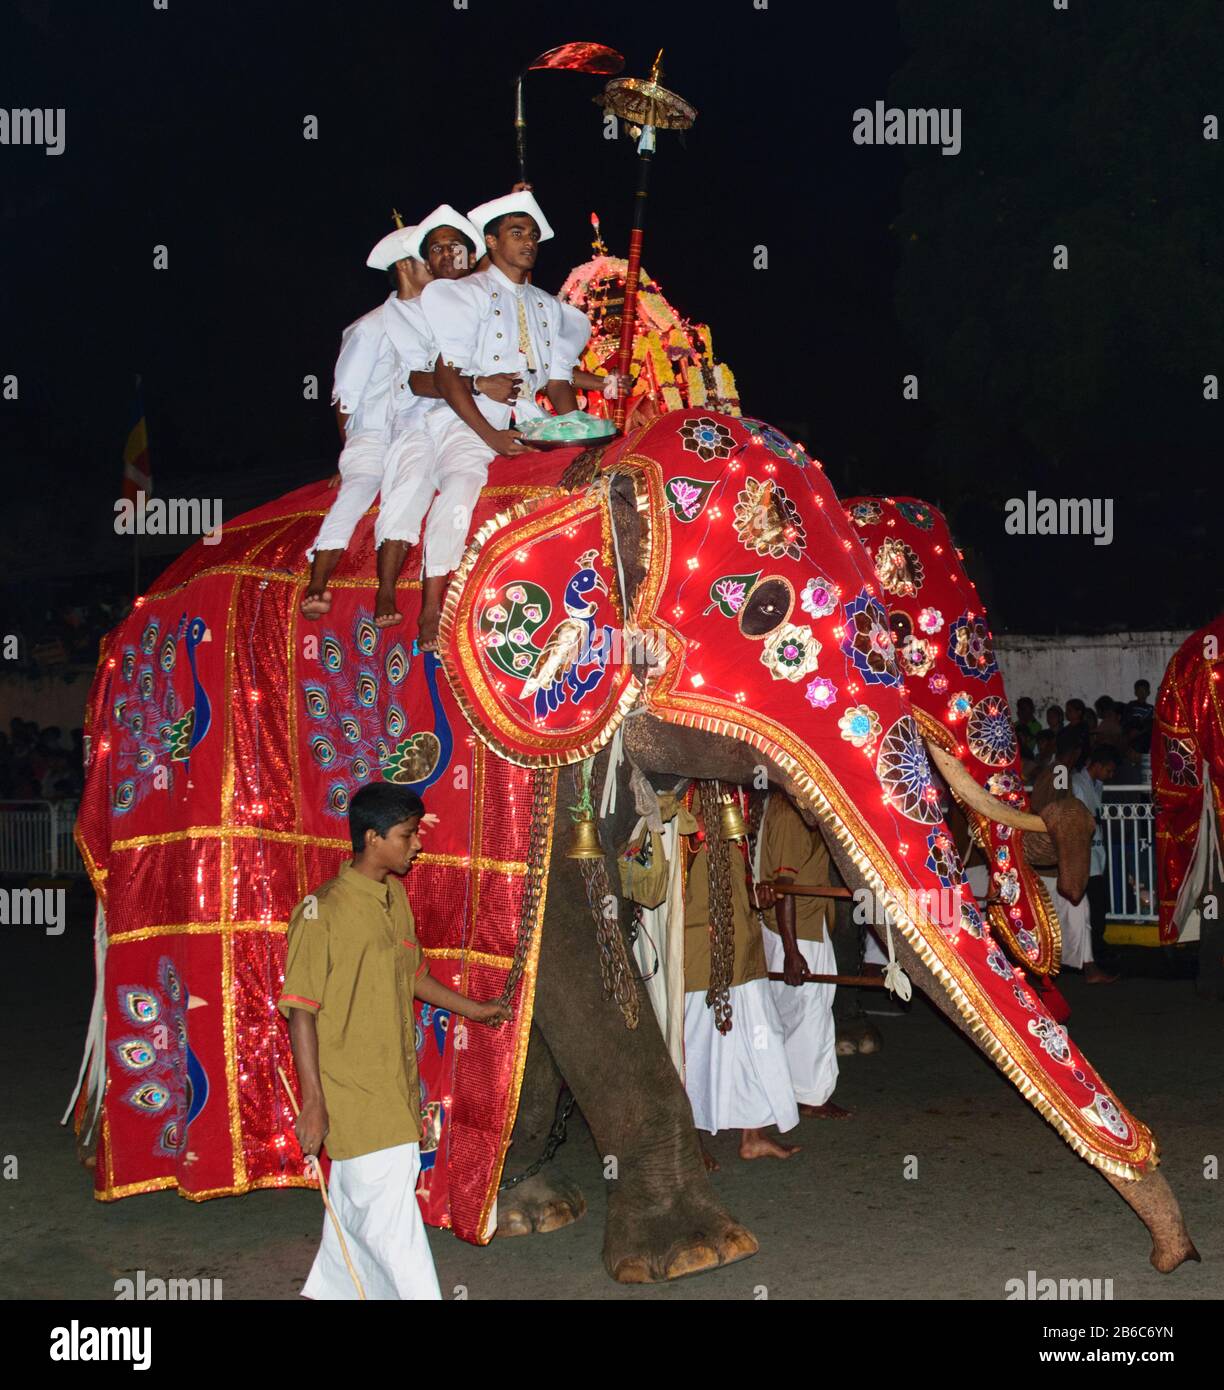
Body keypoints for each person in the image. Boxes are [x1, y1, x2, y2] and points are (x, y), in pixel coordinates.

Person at [279, 781, 509, 1299]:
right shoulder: (322, 913)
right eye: (407, 835)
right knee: (392, 1229)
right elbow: (300, 1012)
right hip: (355, 1095)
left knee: (361, 1216)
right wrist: (313, 1102)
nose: (417, 845)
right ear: (372, 837)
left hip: (395, 1087)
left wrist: (477, 1010)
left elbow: (413, 975)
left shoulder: (394, 896)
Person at [416, 190, 589, 651]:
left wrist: (577, 429)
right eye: (517, 233)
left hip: (530, 418)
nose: (528, 242)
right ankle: (432, 607)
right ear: (491, 242)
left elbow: (556, 383)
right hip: (468, 422)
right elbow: (446, 375)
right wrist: (491, 436)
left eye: (532, 235)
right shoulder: (462, 293)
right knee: (459, 489)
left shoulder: (548, 306)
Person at [301, 220, 435, 624]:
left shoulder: (441, 319)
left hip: (418, 430)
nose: (439, 264)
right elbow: (345, 398)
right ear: (405, 267)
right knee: (359, 488)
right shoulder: (369, 326)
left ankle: (388, 588)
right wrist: (351, 454)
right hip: (373, 434)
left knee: (414, 484)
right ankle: (317, 584)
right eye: (427, 259)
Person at [682, 797, 801, 1164]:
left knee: (761, 1038)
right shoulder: (682, 813)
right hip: (702, 953)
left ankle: (753, 1134)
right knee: (696, 1047)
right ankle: (688, 1144)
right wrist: (699, 824)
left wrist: (758, 896)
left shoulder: (737, 811)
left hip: (744, 950)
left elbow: (741, 882)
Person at [754, 791, 849, 1119]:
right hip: (797, 930)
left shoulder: (798, 808)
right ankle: (812, 1096)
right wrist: (792, 951)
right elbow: (784, 886)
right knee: (811, 1011)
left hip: (805, 924)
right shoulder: (792, 813)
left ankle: (798, 1088)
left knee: (804, 1009)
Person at [1071, 744, 1123, 980]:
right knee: (1093, 904)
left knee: (1098, 904)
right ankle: (1094, 952)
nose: (1110, 775)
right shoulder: (1077, 784)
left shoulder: (1094, 784)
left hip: (1095, 852)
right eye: (1109, 770)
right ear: (1098, 766)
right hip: (1084, 853)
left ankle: (1097, 948)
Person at [1014, 697, 1042, 761]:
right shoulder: (1015, 724)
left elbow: (1028, 745)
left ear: (1032, 709)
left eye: (1024, 709)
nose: (1022, 711)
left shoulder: (1036, 726)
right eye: (1020, 709)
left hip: (1027, 757)